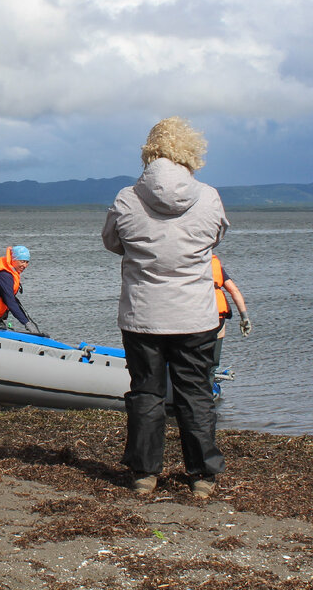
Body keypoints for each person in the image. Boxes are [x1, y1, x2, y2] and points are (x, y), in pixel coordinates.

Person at [101, 117, 229, 499]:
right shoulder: (209, 197)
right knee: (196, 393)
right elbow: (217, 236)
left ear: (149, 152)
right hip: (195, 314)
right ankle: (202, 475)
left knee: (146, 393)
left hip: (143, 314)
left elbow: (111, 242)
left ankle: (144, 473)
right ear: (191, 152)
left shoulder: (126, 198)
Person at [210, 254, 251, 389]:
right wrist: (244, 318)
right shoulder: (215, 265)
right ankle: (210, 381)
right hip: (218, 318)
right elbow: (234, 291)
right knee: (212, 361)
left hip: (199, 318)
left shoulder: (189, 263)